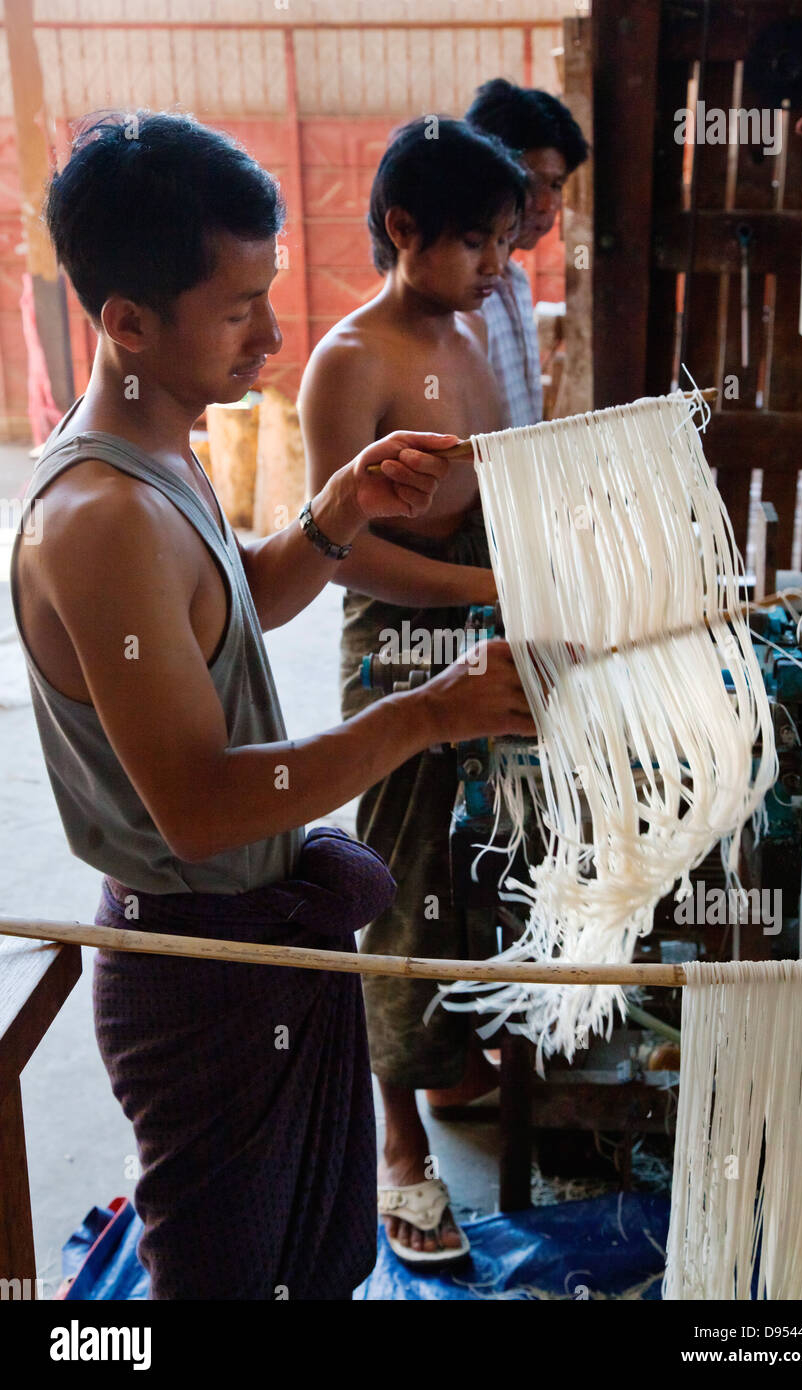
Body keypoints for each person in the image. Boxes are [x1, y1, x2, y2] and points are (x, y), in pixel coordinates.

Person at [10, 111, 533, 1301]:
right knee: (225, 1278)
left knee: (312, 1251)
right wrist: (425, 713)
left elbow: (233, 598)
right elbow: (197, 807)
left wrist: (335, 512)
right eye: (239, 308)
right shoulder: (99, 522)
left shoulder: (161, 451)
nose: (275, 333)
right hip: (198, 963)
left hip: (257, 931)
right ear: (127, 322)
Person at [298, 118, 527, 1266]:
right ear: (402, 230)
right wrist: (487, 581)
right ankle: (396, 1144)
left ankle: (444, 1066)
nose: (498, 264)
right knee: (398, 871)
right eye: (480, 242)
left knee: (480, 850)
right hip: (396, 635)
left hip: (482, 610)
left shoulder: (468, 333)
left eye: (505, 241)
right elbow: (344, 547)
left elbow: (495, 473)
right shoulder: (348, 360)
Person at [466, 78, 590, 426]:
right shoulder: (462, 295)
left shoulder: (515, 281)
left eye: (556, 184)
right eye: (529, 180)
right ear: (485, 174)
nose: (548, 204)